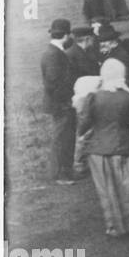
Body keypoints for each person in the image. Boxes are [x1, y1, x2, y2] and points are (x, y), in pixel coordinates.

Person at [78, 58, 129, 237]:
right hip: (123, 145)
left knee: (107, 190)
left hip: (98, 149)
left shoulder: (93, 97)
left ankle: (114, 226)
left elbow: (84, 124)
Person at [42, 18, 77, 185]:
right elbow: (54, 83)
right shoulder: (54, 55)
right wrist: (67, 101)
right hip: (61, 104)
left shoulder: (54, 52)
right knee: (62, 138)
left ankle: (62, 172)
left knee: (64, 137)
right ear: (66, 35)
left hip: (60, 103)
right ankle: (60, 174)